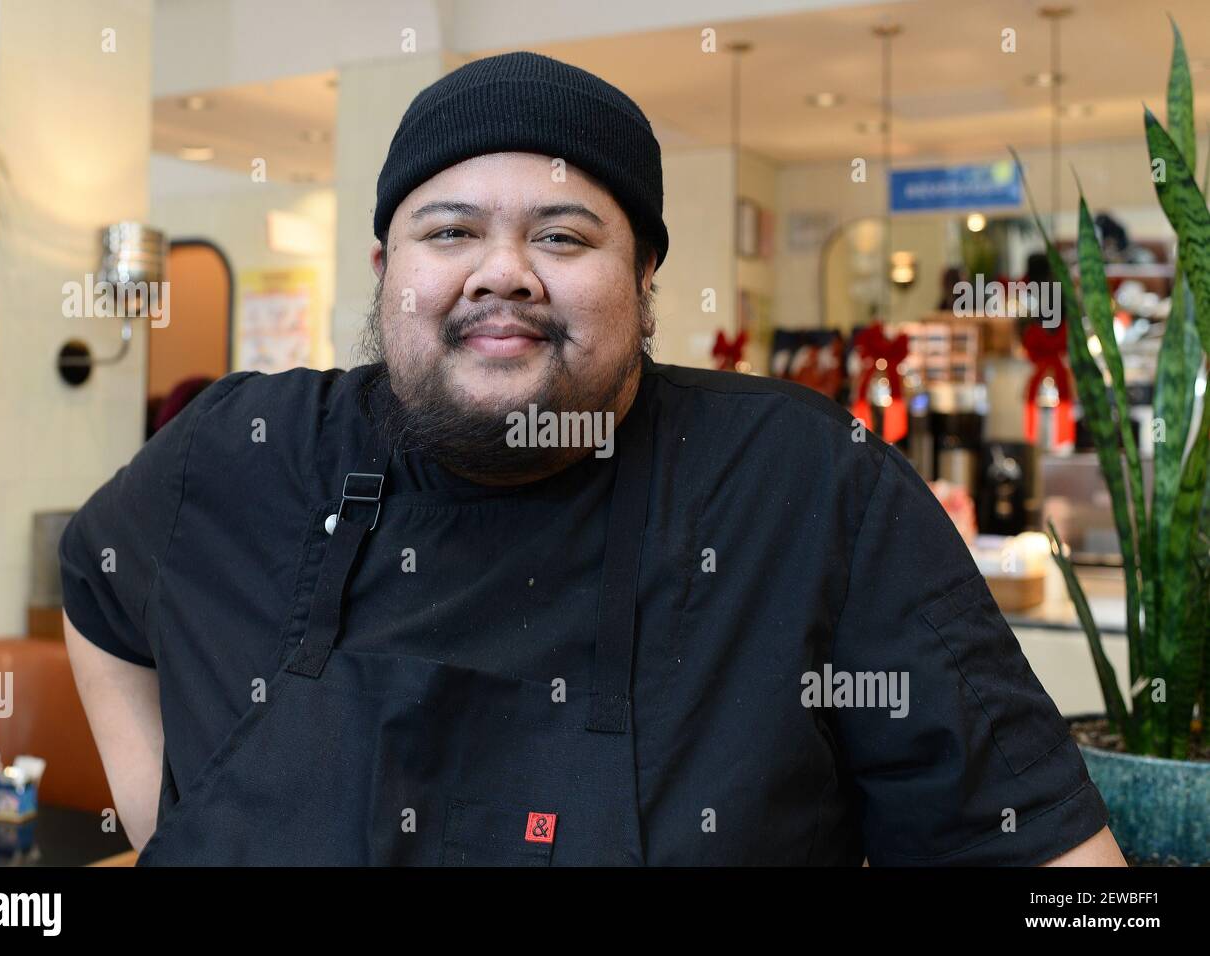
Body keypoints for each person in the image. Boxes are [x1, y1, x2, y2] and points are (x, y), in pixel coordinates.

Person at [59, 51, 1124, 866]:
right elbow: (93, 582)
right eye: (449, 232)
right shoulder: (250, 446)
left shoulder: (805, 485)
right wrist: (173, 832)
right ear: (386, 267)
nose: (504, 272)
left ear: (645, 278)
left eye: (563, 237)